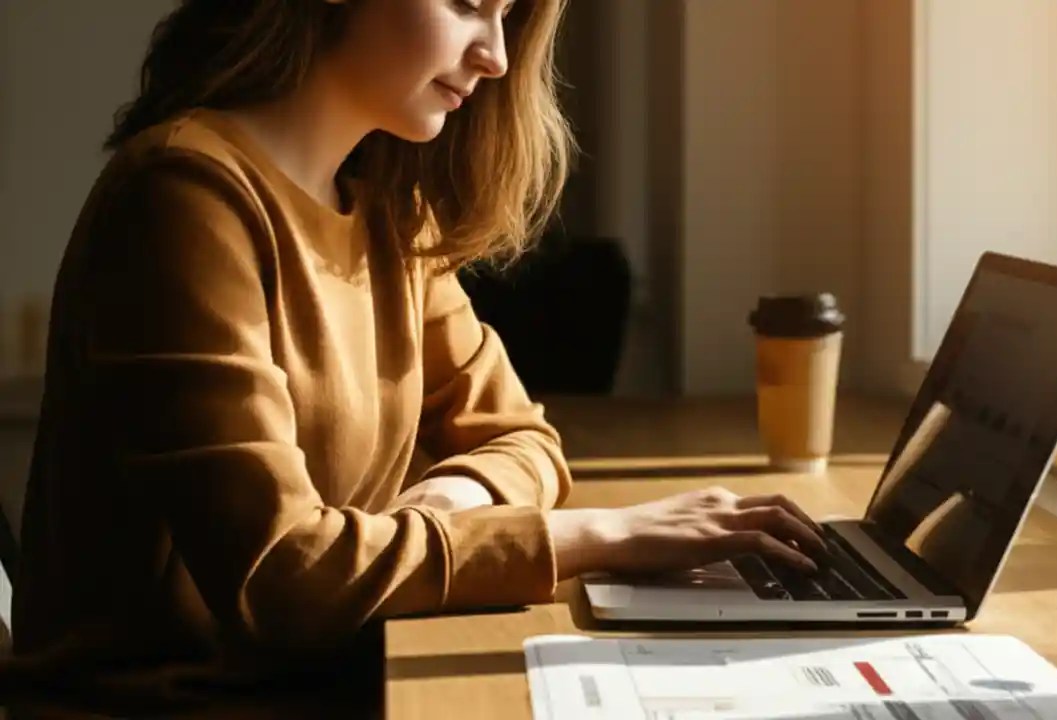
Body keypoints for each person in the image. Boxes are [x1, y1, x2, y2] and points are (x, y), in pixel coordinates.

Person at [10, 0, 827, 702]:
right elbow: (283, 576)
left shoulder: (387, 213)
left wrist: (450, 501)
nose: (497, 57)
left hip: (324, 680)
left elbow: (524, 440)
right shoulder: (184, 199)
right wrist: (606, 535)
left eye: (507, 16)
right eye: (469, 4)